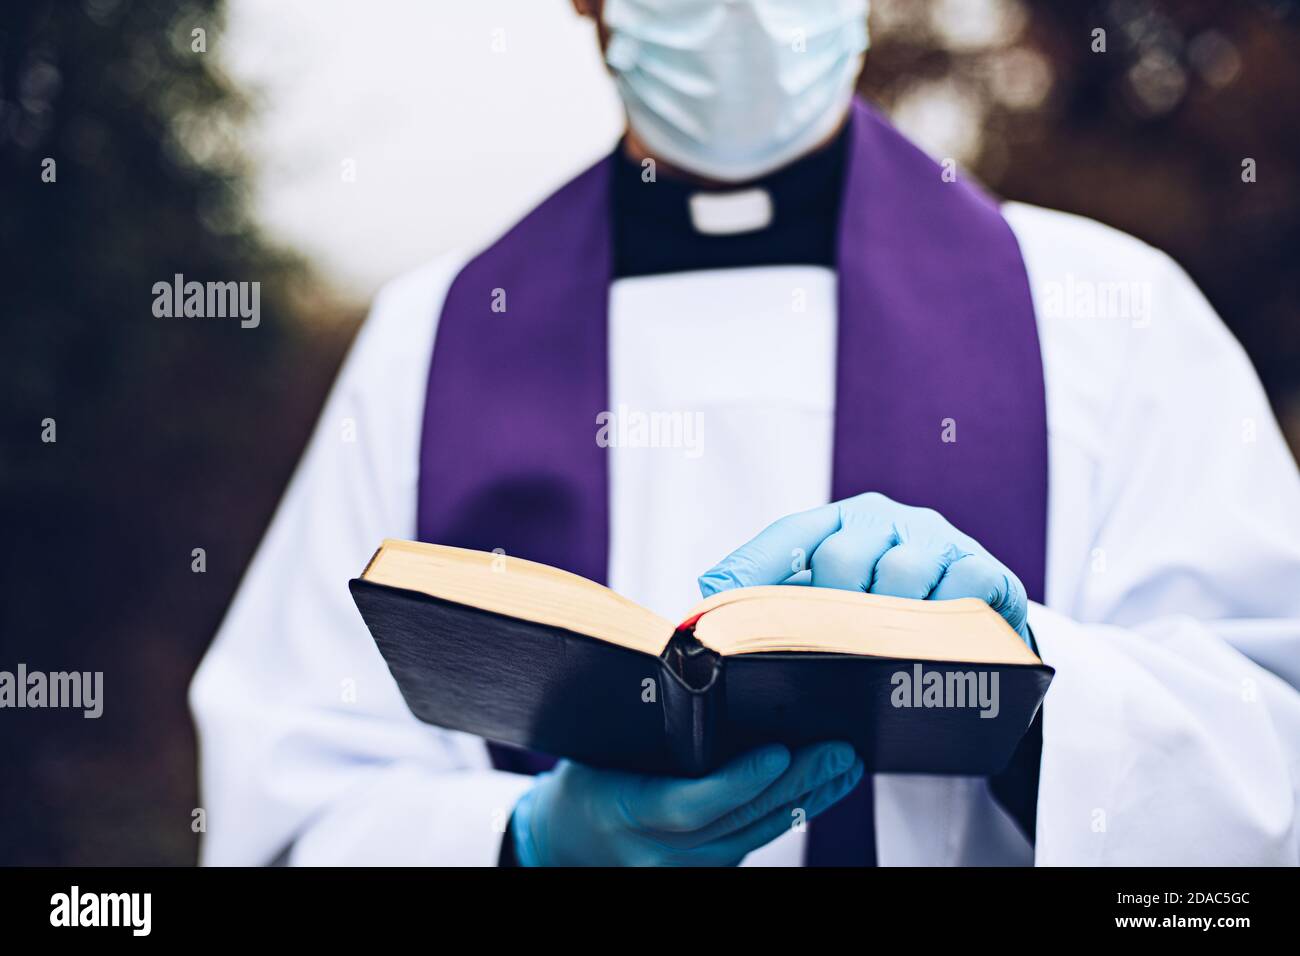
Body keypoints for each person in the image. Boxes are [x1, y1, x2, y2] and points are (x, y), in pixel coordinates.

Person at [190, 0, 1300, 866]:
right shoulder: (430, 338)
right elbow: (290, 794)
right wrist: (526, 842)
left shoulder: (1107, 311)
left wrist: (1035, 697)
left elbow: (1270, 752)